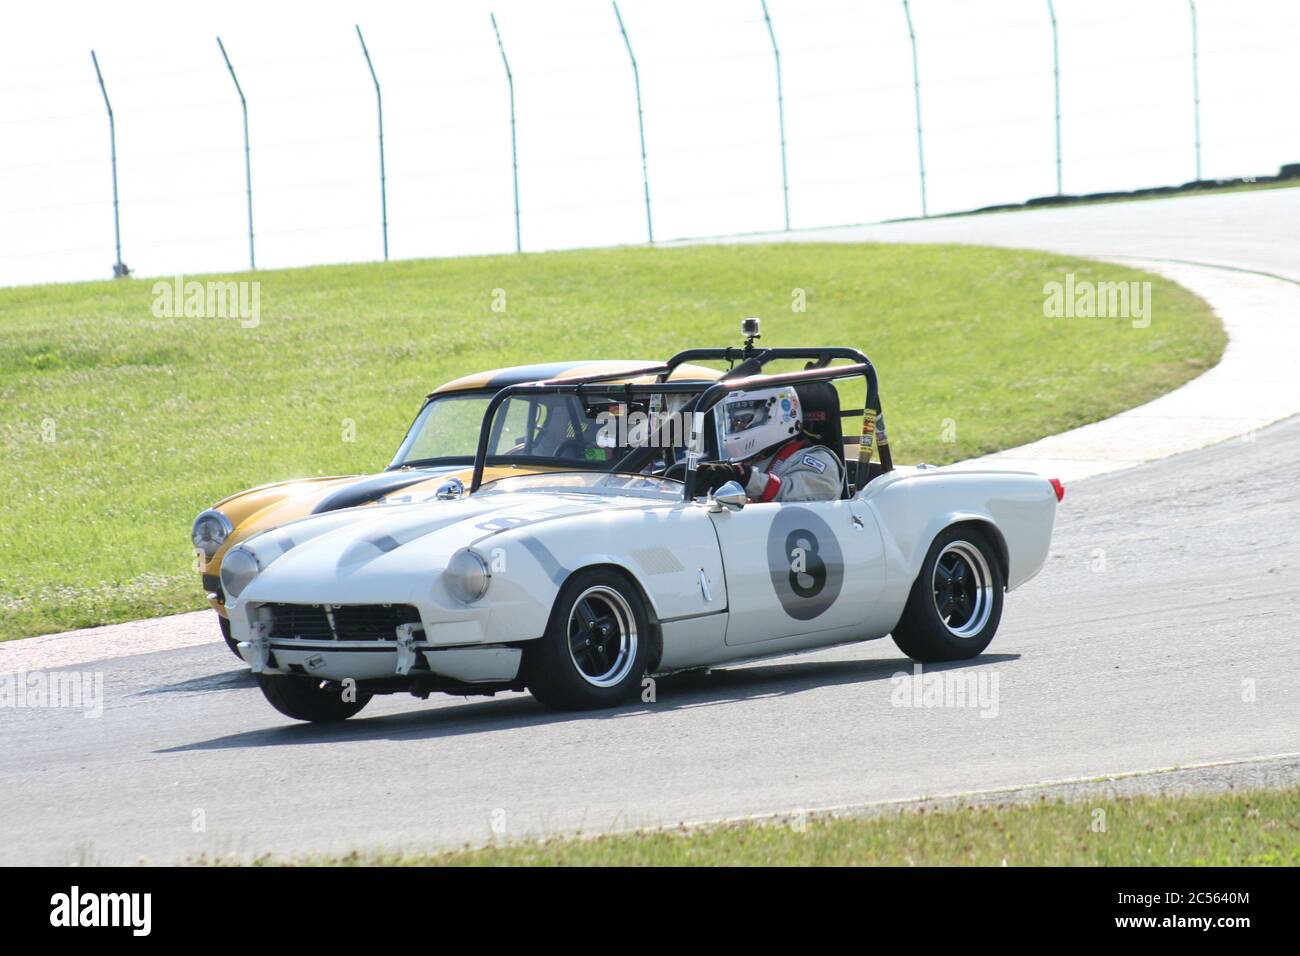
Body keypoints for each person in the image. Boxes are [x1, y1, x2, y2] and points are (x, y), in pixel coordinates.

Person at [694, 385, 844, 502]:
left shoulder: (817, 459)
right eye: (734, 421)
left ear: (779, 415)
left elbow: (797, 495)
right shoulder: (752, 459)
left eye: (745, 418)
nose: (738, 425)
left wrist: (744, 478)